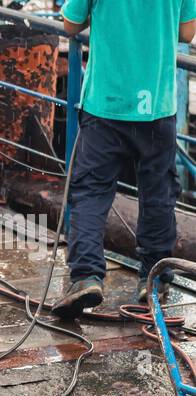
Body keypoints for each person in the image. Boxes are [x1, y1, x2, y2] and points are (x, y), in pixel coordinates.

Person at [52, 0, 196, 318]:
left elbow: (70, 24)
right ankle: (153, 278)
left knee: (91, 190)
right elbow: (187, 32)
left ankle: (87, 276)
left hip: (105, 103)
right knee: (158, 194)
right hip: (156, 107)